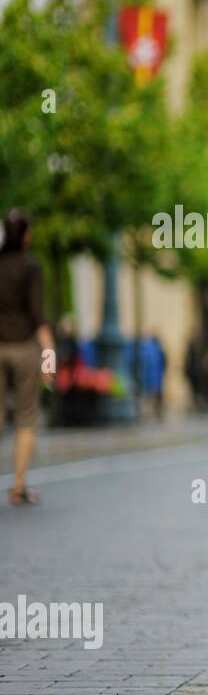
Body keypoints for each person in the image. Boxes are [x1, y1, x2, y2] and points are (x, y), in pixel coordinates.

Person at [0, 209, 54, 506]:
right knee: (25, 419)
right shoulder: (31, 267)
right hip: (23, 348)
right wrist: (49, 363)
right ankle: (18, 486)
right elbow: (38, 319)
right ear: (25, 235)